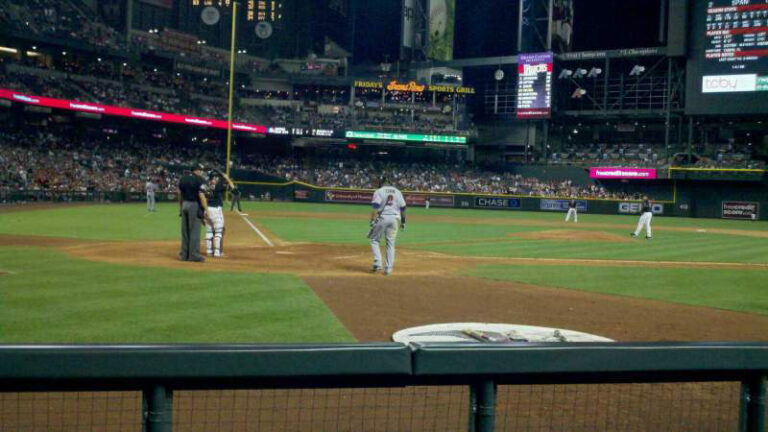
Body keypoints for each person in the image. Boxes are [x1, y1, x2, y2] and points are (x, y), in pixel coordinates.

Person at [368, 177, 406, 276]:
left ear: (382, 183)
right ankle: (388, 270)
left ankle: (377, 263)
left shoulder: (379, 191)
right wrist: (403, 222)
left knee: (374, 240)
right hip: (394, 220)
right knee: (390, 244)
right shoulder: (398, 192)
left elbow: (375, 207)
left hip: (382, 218)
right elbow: (403, 208)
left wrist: (372, 221)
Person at [178, 164, 209, 262]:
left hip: (185, 205)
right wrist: (206, 209)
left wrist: (180, 207)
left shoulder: (183, 178)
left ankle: (184, 255)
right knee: (194, 231)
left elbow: (180, 194)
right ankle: (194, 255)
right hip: (194, 205)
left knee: (185, 231)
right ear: (197, 170)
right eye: (201, 170)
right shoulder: (200, 180)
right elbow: (201, 195)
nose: (202, 172)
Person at [205, 171, 235, 257]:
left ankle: (209, 251)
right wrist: (226, 178)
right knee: (219, 231)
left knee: (209, 231)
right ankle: (218, 252)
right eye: (216, 177)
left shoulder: (205, 185)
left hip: (207, 209)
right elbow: (233, 189)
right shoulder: (219, 185)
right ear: (214, 177)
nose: (218, 178)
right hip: (216, 210)